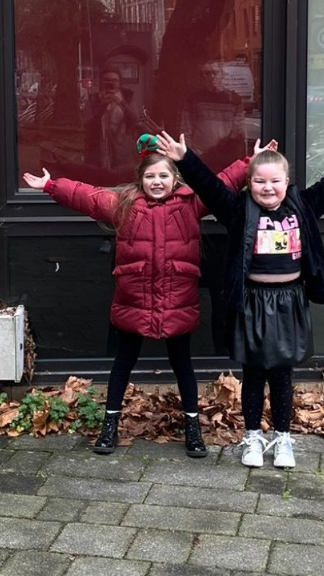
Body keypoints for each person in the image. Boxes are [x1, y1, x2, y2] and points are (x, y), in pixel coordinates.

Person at [24, 134, 276, 457]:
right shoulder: (125, 204)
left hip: (177, 301)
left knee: (182, 364)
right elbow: (85, 196)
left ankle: (192, 428)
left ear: (175, 178)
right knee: (123, 363)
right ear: (140, 178)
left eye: (163, 175)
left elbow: (223, 182)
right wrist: (51, 185)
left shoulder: (192, 203)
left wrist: (250, 163)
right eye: (150, 176)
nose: (156, 182)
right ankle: (110, 425)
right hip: (134, 301)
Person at [156, 129, 324, 469]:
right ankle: (252, 437)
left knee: (281, 375)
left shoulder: (303, 207)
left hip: (289, 302)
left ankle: (282, 439)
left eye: (275, 181)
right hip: (252, 302)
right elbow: (209, 186)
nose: (268, 188)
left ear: (287, 181)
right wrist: (184, 158)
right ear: (249, 183)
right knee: (252, 375)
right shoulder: (238, 210)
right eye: (260, 182)